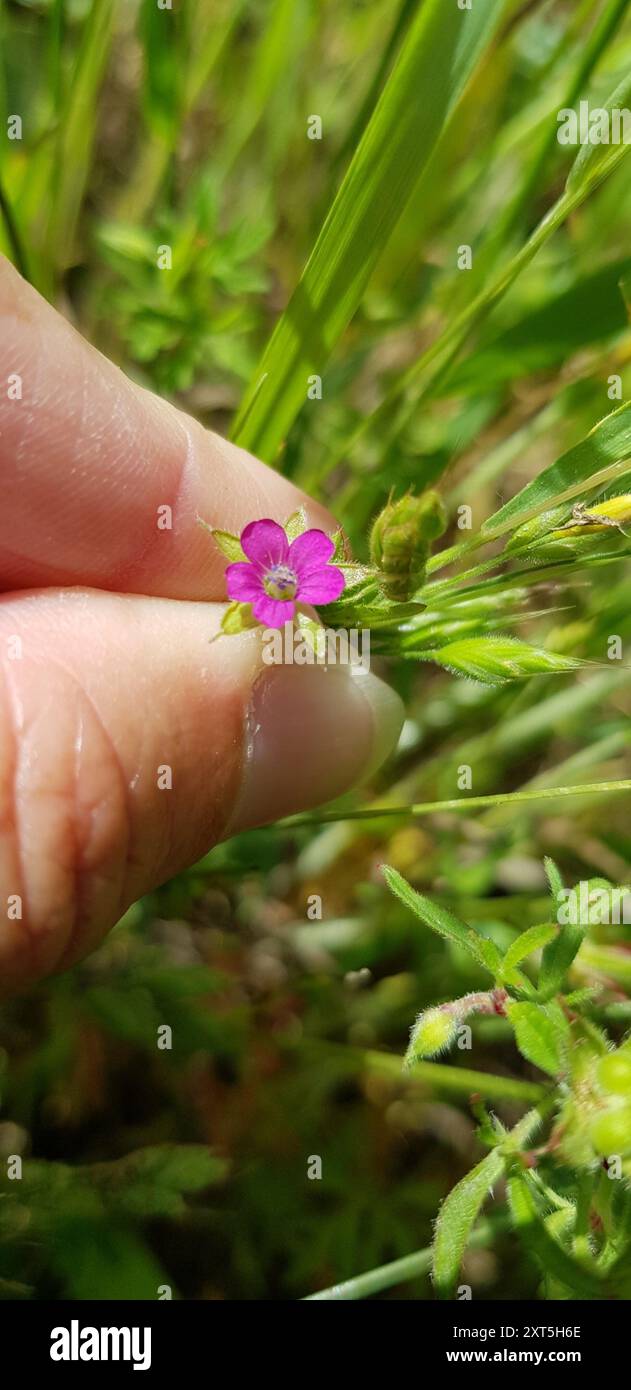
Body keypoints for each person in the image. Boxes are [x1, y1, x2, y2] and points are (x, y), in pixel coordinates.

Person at [0, 255, 403, 992]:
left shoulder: (288, 577)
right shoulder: (259, 577)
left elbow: (293, 572)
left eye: (287, 578)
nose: (281, 580)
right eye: (271, 577)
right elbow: (262, 578)